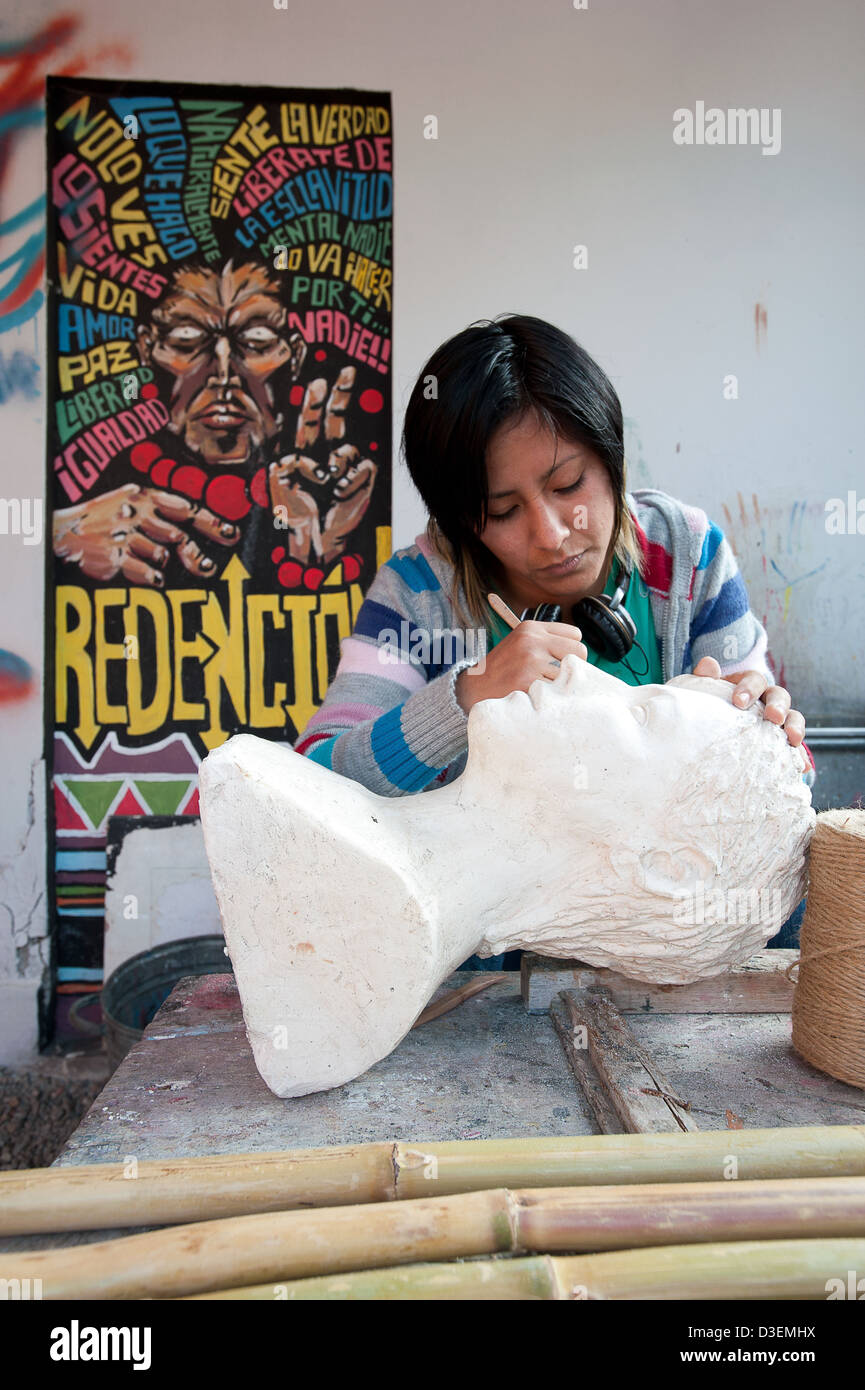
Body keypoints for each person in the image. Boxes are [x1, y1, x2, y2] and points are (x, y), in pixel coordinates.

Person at [293, 314, 814, 960]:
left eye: (568, 485)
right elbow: (313, 778)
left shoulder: (687, 554)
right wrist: (467, 699)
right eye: (502, 512)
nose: (550, 534)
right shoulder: (418, 591)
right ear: (460, 523)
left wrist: (764, 731)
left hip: (671, 939)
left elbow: (785, 785)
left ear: (611, 458)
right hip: (495, 951)